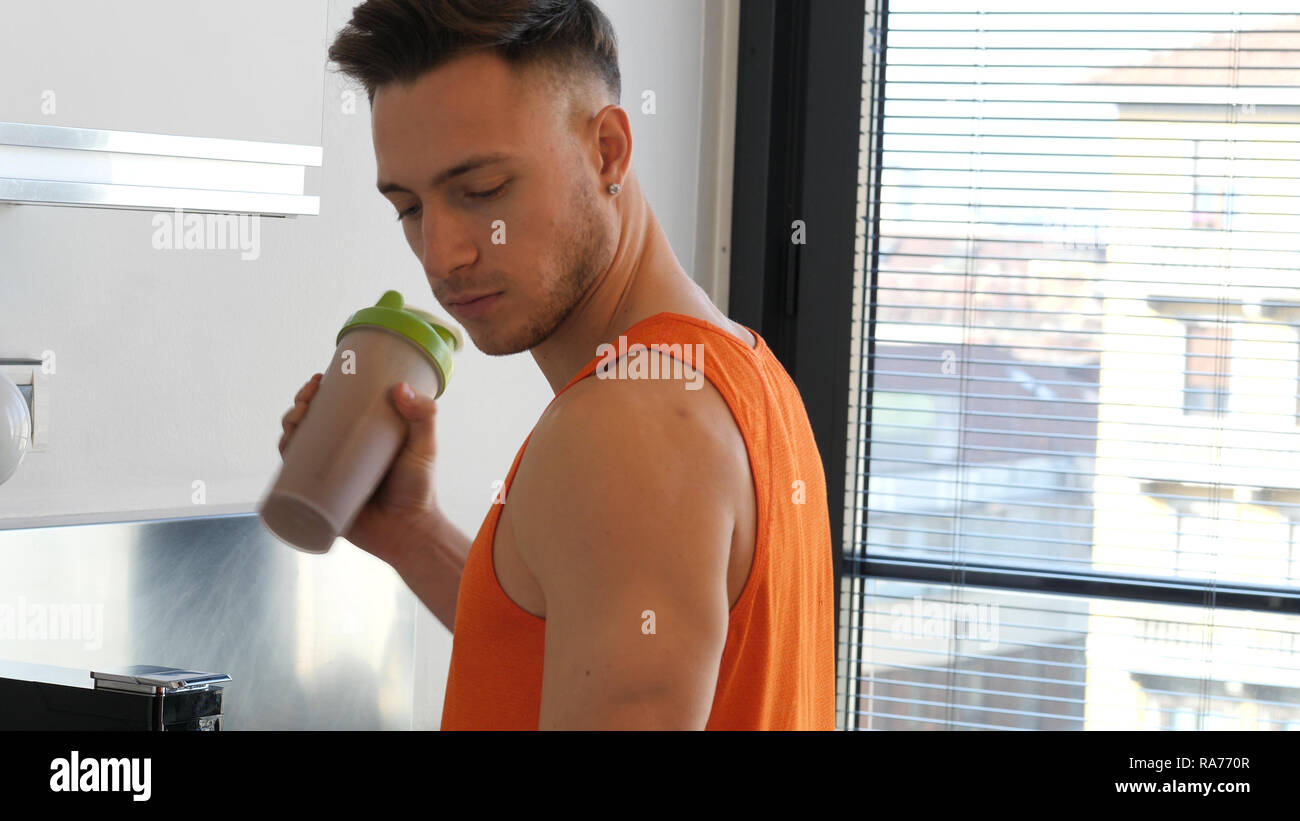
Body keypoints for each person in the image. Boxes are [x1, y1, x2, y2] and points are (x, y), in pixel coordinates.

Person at [280, 0, 834, 730]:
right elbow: (574, 641)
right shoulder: (739, 372)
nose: (443, 255)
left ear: (607, 150)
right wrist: (412, 533)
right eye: (410, 207)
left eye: (482, 192)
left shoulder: (624, 429)